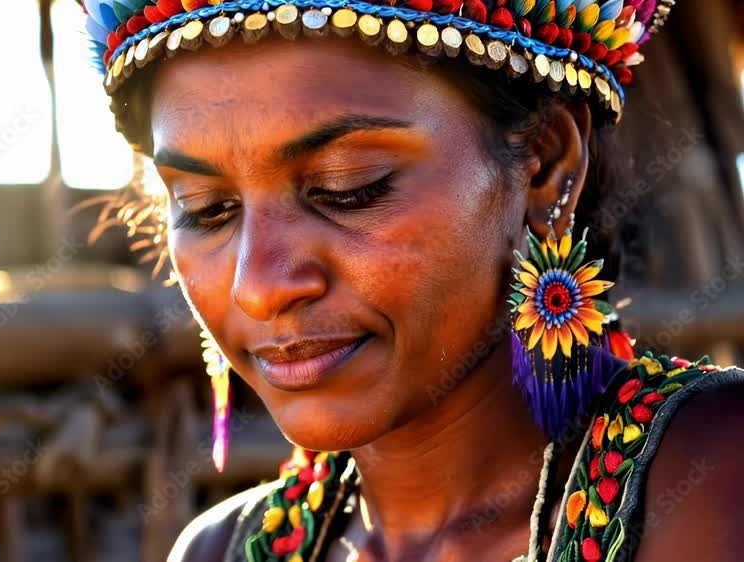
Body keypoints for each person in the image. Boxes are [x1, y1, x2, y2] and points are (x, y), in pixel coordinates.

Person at [78, 0, 744, 560]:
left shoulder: (717, 479)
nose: (260, 285)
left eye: (349, 187)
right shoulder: (222, 549)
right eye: (206, 210)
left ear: (543, 165)